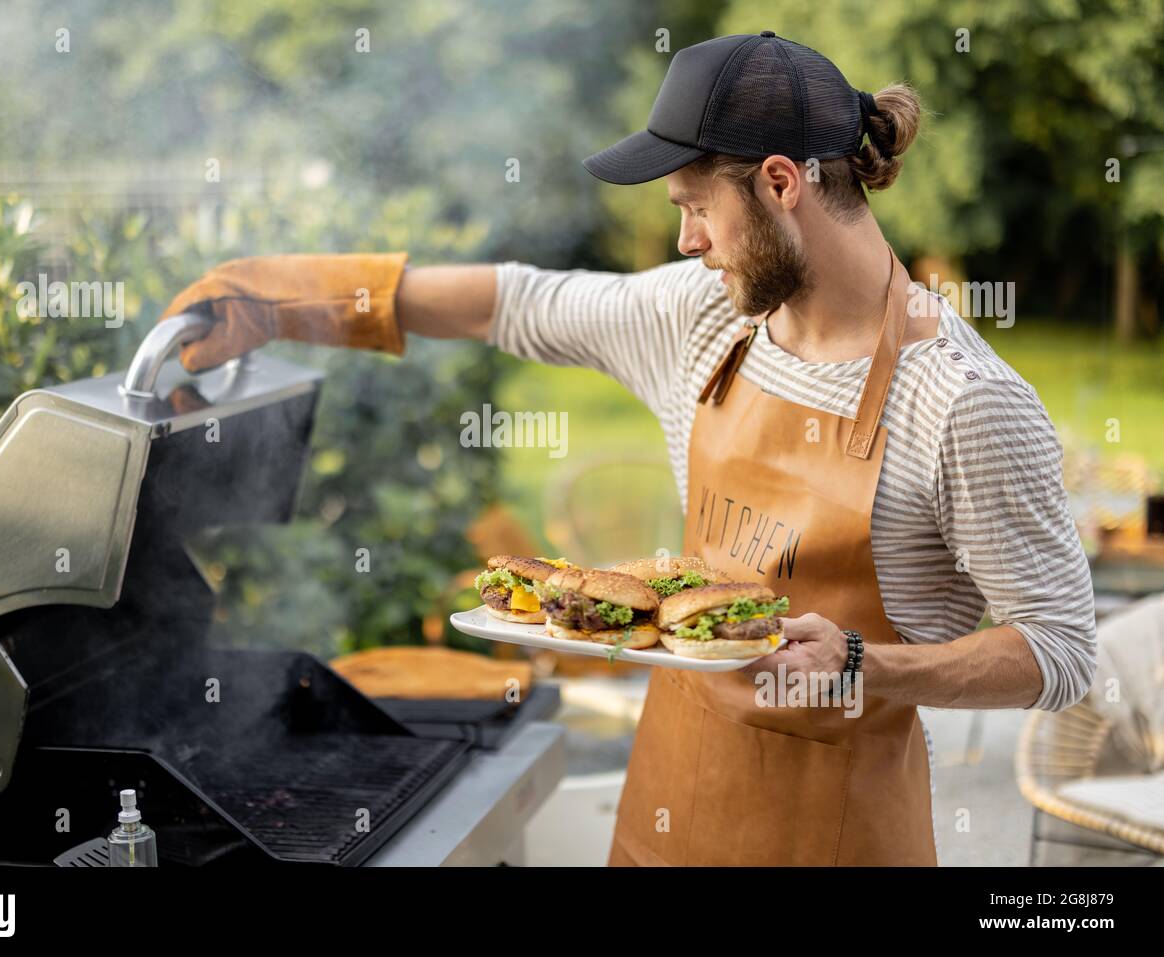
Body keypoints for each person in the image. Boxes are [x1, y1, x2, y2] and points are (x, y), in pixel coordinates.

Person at [161, 32, 1097, 866]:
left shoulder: (966, 401)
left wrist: (862, 663)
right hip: (669, 810)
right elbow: (514, 301)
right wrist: (281, 300)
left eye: (697, 207)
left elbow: (1058, 649)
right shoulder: (703, 319)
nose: (686, 241)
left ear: (782, 182)